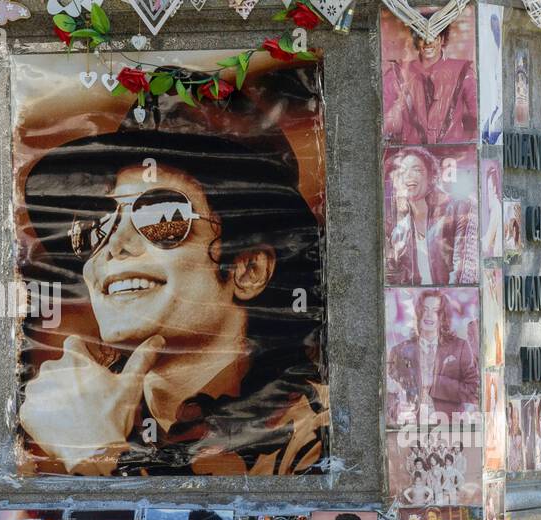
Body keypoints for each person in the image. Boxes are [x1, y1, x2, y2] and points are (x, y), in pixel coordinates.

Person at [19, 88, 328, 477]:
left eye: (162, 216)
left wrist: (99, 456)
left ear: (248, 269)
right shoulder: (54, 419)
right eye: (98, 226)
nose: (113, 246)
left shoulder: (319, 430)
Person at [384, 147, 477, 287]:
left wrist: (450, 297)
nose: (408, 176)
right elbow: (396, 282)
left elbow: (462, 271)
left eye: (416, 169)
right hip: (418, 304)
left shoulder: (457, 208)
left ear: (431, 176)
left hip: (453, 302)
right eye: (402, 171)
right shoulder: (400, 230)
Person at [387, 289, 479, 424]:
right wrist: (397, 409)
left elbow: (474, 391)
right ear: (418, 312)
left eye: (435, 311)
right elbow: (389, 394)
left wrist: (436, 382)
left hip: (450, 432)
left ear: (442, 316)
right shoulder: (399, 351)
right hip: (412, 433)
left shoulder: (460, 347)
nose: (429, 315)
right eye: (425, 309)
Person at [381, 25, 476, 145]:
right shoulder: (398, 72)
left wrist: (469, 150)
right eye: (421, 37)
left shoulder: (462, 70)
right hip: (411, 154)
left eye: (434, 37)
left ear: (441, 39)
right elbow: (380, 115)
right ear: (416, 41)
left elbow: (480, 117)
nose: (428, 42)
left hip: (452, 155)